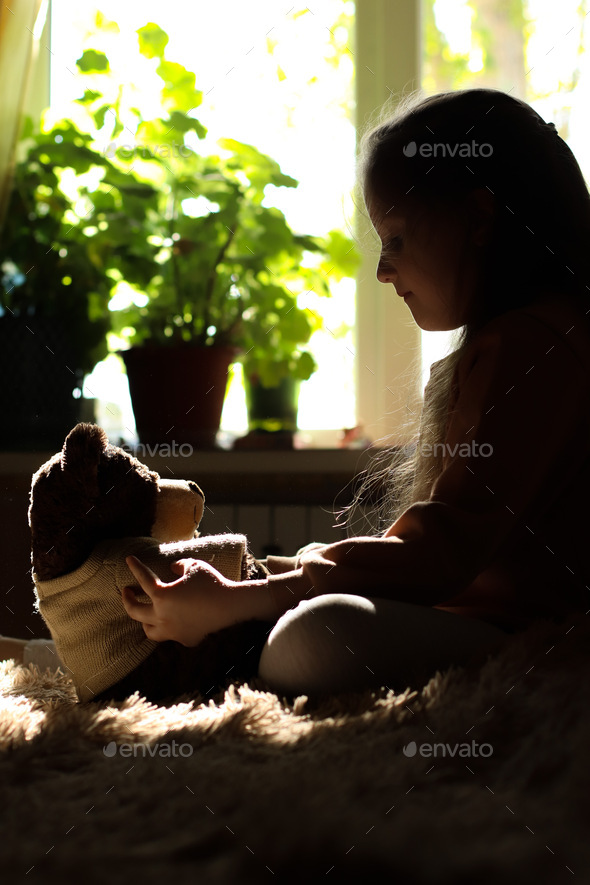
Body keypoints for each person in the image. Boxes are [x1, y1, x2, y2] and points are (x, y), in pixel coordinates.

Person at [4, 87, 590, 697]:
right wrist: (256, 580)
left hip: (528, 641)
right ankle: (86, 655)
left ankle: (120, 660)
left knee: (316, 634)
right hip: (471, 622)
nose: (384, 271)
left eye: (394, 238)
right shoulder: (526, 337)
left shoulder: (532, 344)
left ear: (476, 219)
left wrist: (250, 595)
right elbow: (424, 557)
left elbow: (439, 555)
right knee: (270, 603)